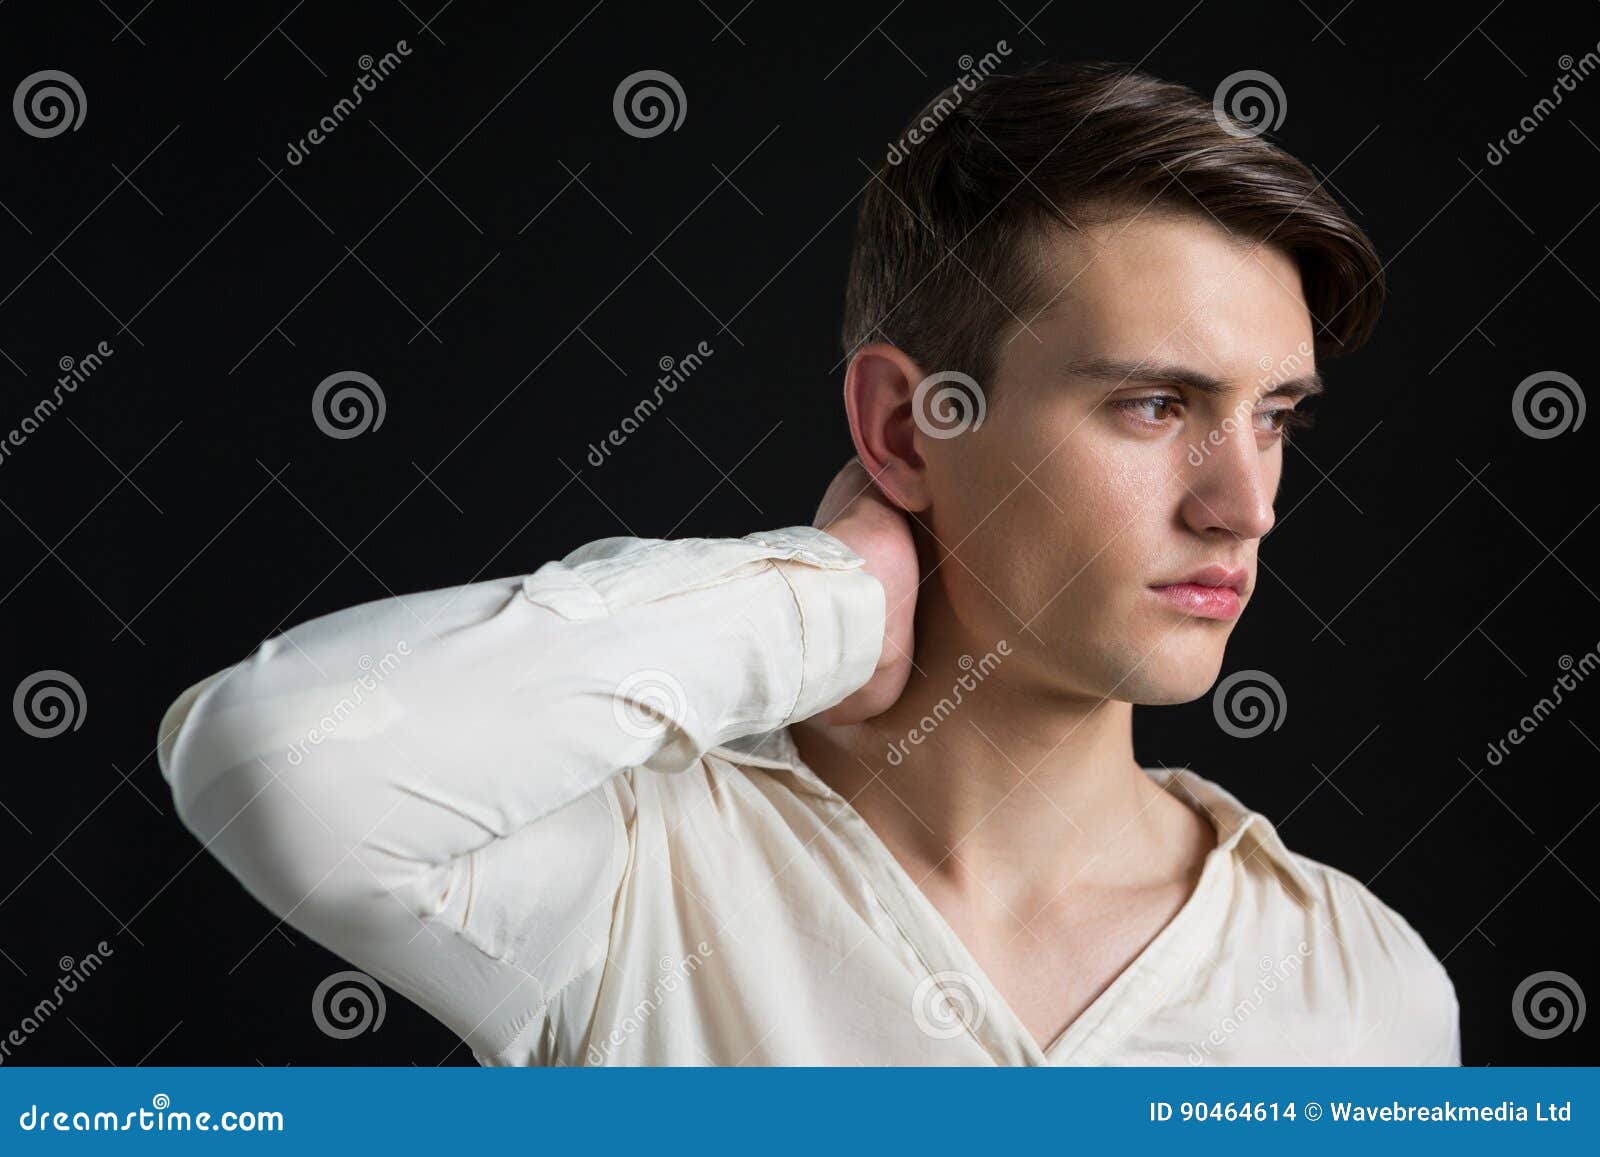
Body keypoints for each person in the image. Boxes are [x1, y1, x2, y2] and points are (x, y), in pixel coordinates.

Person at [156, 60, 1461, 1065]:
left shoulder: (1363, 989)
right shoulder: (638, 872)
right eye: (1155, 405)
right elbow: (276, 759)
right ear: (906, 427)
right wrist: (824, 601)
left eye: (1274, 417)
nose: (1246, 506)